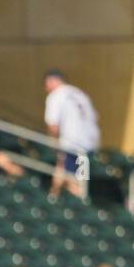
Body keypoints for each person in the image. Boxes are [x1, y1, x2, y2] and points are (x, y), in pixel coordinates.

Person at [43, 69, 100, 198]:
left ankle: (80, 208)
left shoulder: (56, 95)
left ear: (51, 82)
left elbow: (53, 126)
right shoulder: (79, 93)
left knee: (74, 182)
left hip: (72, 145)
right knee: (66, 172)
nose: (46, 89)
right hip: (89, 145)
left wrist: (53, 144)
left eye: (46, 85)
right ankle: (54, 198)